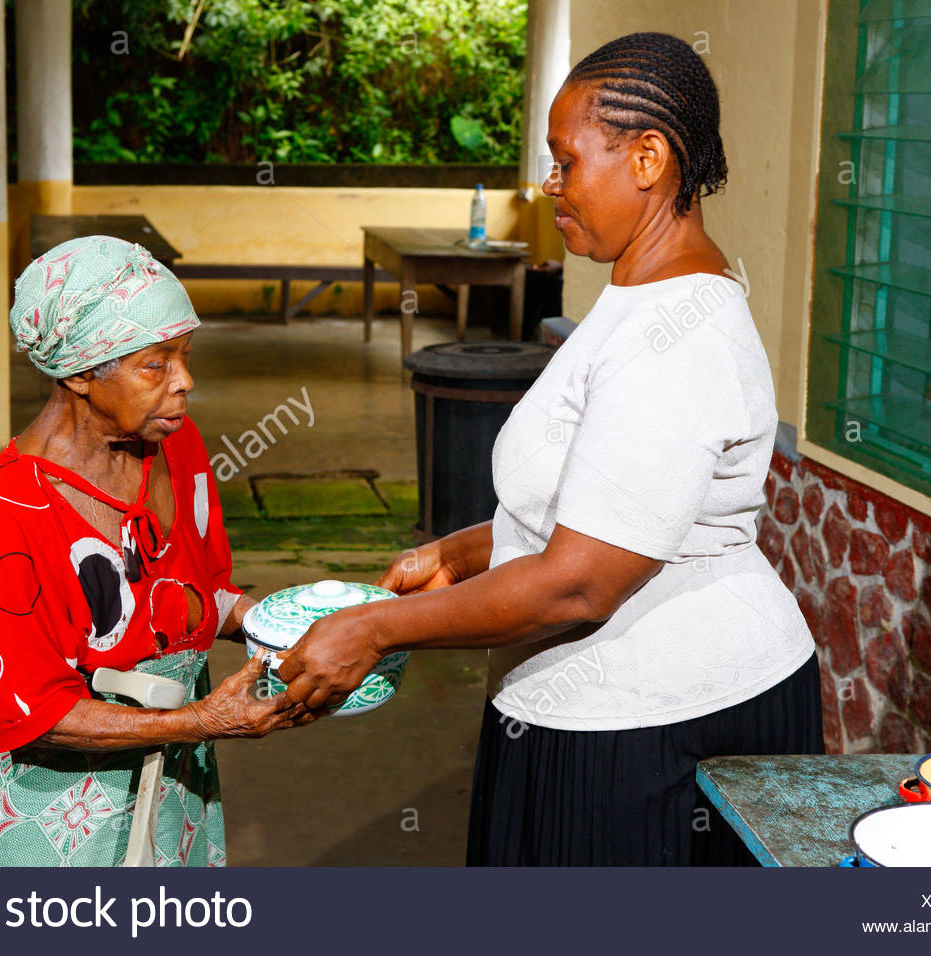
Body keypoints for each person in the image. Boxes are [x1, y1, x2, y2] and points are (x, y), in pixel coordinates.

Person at [276, 32, 824, 866]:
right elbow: (596, 501)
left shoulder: (677, 334)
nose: (551, 183)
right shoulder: (636, 296)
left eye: (567, 162)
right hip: (590, 703)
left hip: (661, 719)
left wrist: (380, 630)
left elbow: (581, 581)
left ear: (648, 158)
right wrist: (459, 553)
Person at [0, 236, 317, 867]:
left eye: (185, 357)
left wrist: (284, 627)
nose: (185, 382)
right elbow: (37, 712)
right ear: (80, 373)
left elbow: (200, 593)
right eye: (156, 364)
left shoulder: (178, 447)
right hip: (53, 803)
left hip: (168, 771)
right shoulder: (11, 508)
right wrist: (203, 721)